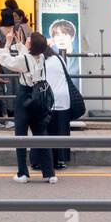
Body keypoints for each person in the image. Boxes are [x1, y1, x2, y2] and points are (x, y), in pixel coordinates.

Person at [0, 30, 56, 183]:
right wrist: (20, 43)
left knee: (21, 135)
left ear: (31, 44)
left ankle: (22, 173)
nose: (27, 40)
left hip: (25, 97)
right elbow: (27, 56)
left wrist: (8, 43)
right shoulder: (42, 57)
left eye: (29, 39)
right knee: (41, 134)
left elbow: (6, 61)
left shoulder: (24, 60)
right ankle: (50, 173)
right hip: (39, 98)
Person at [45, 39, 74, 170]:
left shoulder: (41, 62)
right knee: (62, 130)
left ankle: (47, 160)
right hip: (64, 98)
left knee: (47, 131)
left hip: (49, 100)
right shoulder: (59, 59)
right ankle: (61, 160)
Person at [0, 10, 18, 127]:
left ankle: (6, 117)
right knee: (17, 89)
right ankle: (16, 115)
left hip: (3, 62)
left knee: (5, 90)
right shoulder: (17, 29)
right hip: (16, 62)